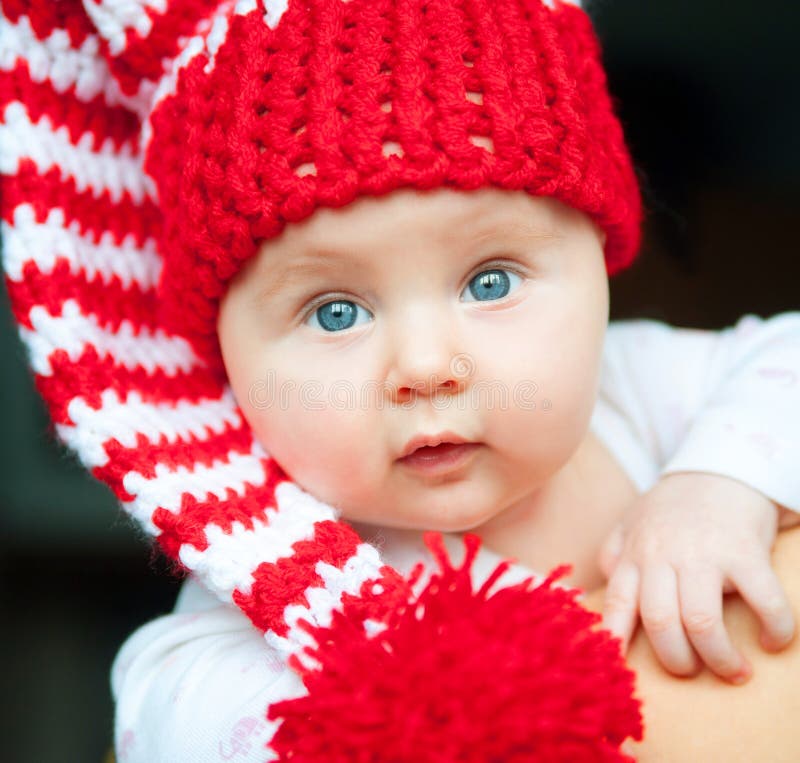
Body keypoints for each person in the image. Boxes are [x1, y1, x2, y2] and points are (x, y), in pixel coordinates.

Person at [2, 0, 798, 759]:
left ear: (602, 262)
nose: (423, 367)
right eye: (336, 313)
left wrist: (719, 486)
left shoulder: (637, 387)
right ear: (224, 359)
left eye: (490, 282)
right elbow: (165, 712)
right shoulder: (273, 553)